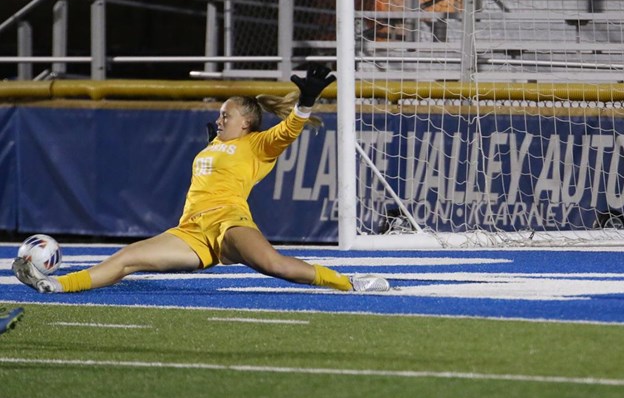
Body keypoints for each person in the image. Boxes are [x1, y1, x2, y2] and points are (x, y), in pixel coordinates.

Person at [12, 63, 389, 295]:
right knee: (127, 258)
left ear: (246, 122)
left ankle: (349, 282)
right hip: (191, 231)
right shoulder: (213, 145)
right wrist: (216, 143)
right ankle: (56, 284)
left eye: (227, 115)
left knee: (275, 266)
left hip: (230, 223)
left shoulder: (258, 144)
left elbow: (289, 130)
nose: (220, 119)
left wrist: (305, 103)